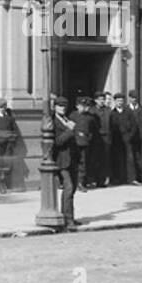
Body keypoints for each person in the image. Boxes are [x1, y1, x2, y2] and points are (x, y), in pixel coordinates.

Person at [52, 96, 81, 230]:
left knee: (73, 188)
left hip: (72, 159)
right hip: (61, 160)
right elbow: (57, 142)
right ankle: (68, 220)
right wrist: (70, 131)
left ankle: (69, 216)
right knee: (68, 188)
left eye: (64, 106)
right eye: (59, 106)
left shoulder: (67, 120)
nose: (62, 108)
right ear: (55, 107)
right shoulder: (53, 122)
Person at [109, 93, 137, 185]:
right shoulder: (112, 113)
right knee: (118, 159)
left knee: (130, 159)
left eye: (121, 101)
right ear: (115, 102)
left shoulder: (128, 112)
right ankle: (118, 179)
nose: (119, 103)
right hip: (116, 140)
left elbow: (134, 126)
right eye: (117, 101)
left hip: (127, 138)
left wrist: (130, 136)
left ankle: (131, 179)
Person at [71, 95, 95, 190]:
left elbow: (92, 130)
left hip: (85, 143)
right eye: (82, 105)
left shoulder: (90, 117)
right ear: (77, 106)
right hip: (74, 143)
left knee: (83, 163)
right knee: (73, 163)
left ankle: (81, 182)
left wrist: (88, 138)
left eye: (85, 106)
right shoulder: (73, 116)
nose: (84, 107)